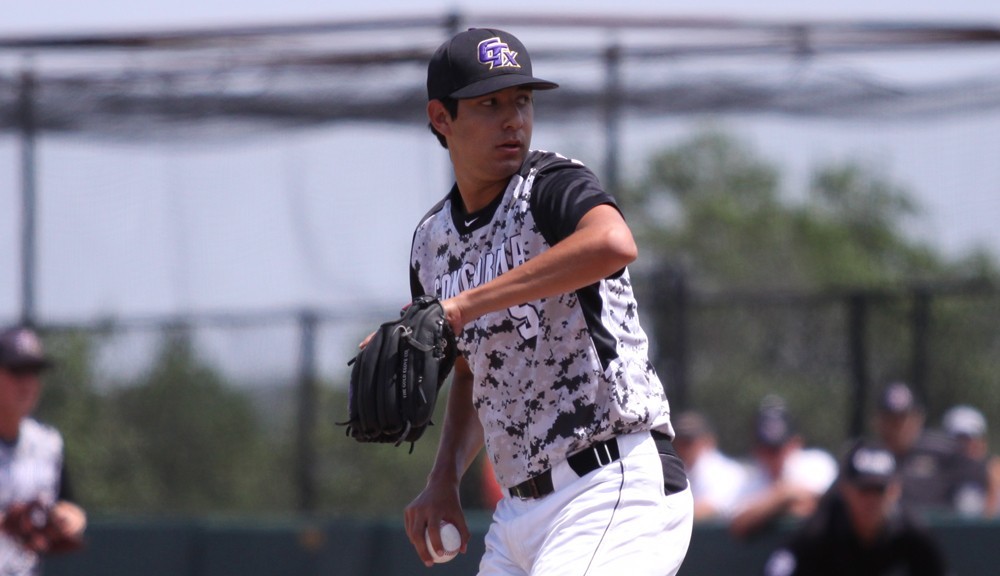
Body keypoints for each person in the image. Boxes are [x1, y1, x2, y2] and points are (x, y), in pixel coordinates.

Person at [398, 27, 693, 575]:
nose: (513, 119)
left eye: (522, 100)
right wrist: (444, 479)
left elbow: (612, 242)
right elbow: (471, 370)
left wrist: (465, 305)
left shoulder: (548, 185)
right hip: (518, 514)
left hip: (610, 483)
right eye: (489, 104)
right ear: (441, 117)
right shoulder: (432, 244)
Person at [762, 438, 950, 576]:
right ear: (846, 490)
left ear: (894, 491)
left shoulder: (908, 528)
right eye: (864, 489)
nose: (871, 500)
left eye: (879, 490)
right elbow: (780, 566)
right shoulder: (823, 527)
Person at [0, 325, 87, 575]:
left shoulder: (47, 444)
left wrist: (67, 520)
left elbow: (70, 507)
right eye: (17, 371)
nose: (27, 383)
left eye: (34, 372)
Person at [873, 381, 988, 517]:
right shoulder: (867, 458)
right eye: (891, 419)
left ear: (918, 419)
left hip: (938, 528)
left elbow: (984, 475)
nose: (898, 428)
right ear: (878, 421)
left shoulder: (940, 452)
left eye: (903, 419)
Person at [729, 397, 838, 539]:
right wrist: (785, 495)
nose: (775, 457)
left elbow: (826, 506)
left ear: (796, 443)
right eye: (766, 449)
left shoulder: (817, 462)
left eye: (779, 449)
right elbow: (739, 525)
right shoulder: (747, 479)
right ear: (756, 450)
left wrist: (768, 508)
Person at [672, 410, 748, 521]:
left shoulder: (726, 471)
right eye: (678, 440)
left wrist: (665, 516)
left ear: (708, 440)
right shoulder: (677, 470)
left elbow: (710, 508)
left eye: (689, 441)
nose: (683, 447)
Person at [941, 404, 1000, 517]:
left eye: (974, 437)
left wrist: (992, 486)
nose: (969, 444)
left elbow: (990, 519)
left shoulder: (994, 470)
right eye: (961, 439)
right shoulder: (940, 472)